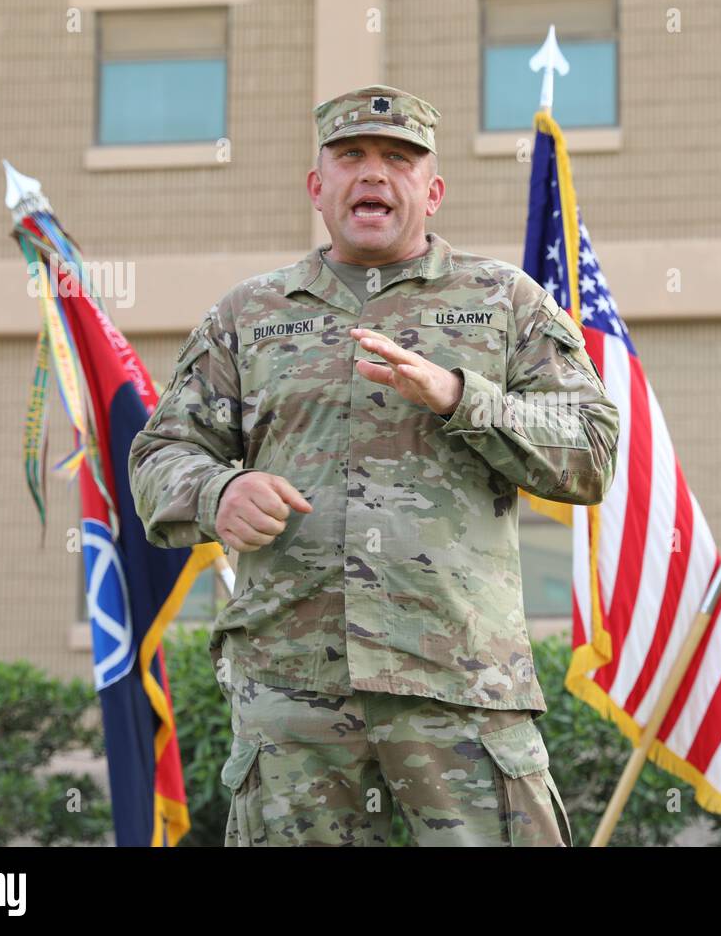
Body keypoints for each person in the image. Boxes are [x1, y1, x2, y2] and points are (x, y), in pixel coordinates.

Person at [128, 84, 620, 846]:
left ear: (434, 190)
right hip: (294, 690)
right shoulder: (248, 315)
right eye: (351, 156)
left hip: (459, 683)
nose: (374, 175)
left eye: (399, 158)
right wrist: (219, 490)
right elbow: (161, 454)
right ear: (317, 187)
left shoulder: (504, 303)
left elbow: (589, 453)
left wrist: (460, 395)